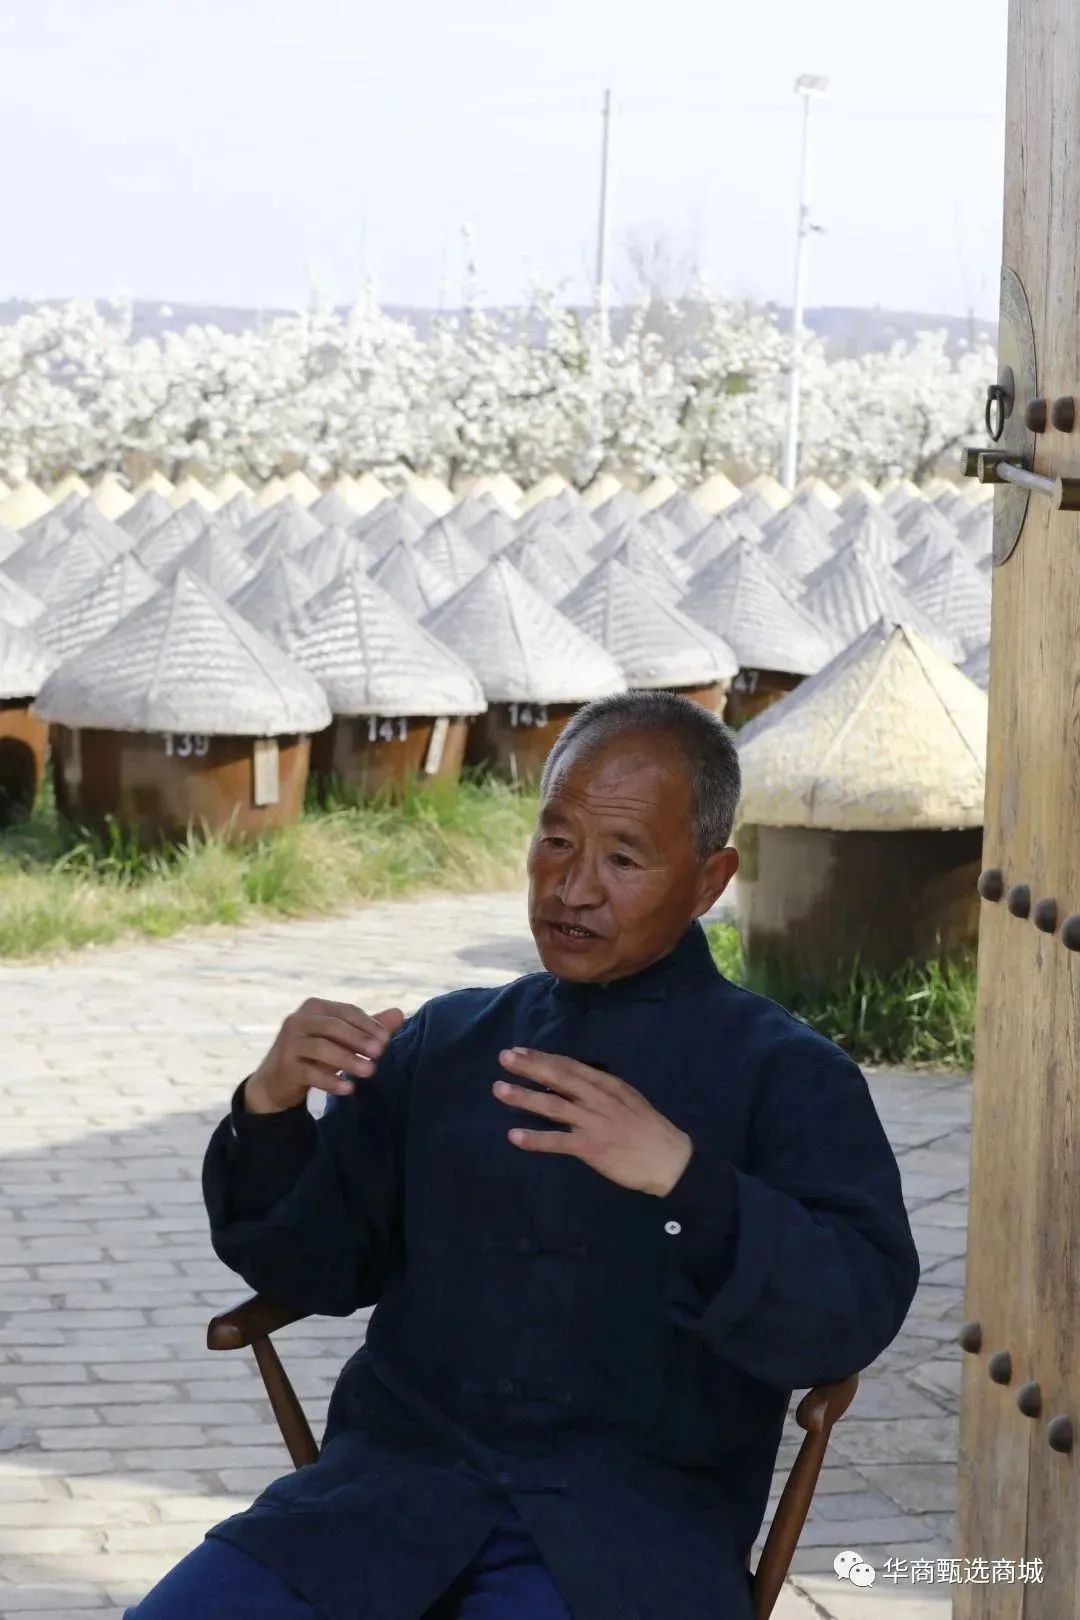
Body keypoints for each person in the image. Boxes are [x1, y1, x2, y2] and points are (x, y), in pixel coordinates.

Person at [123, 690, 920, 1620]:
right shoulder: (447, 1043)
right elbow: (313, 1266)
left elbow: (848, 1314)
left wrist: (684, 1178)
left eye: (623, 858)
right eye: (556, 842)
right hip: (384, 1502)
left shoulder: (787, 1075)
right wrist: (270, 1105)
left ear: (710, 881)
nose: (573, 889)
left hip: (624, 1534)